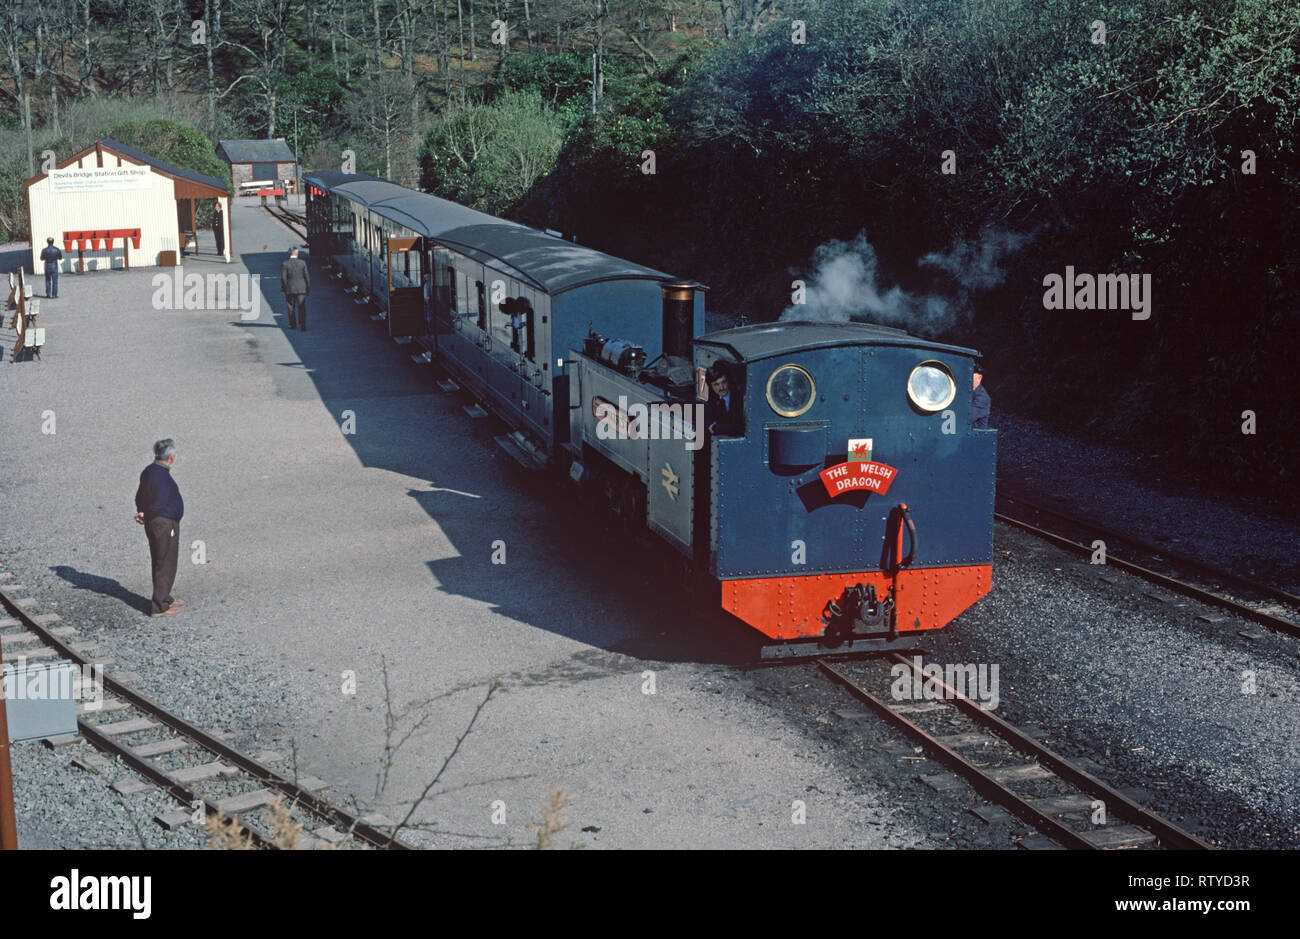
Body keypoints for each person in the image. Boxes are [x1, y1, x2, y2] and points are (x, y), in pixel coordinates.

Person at [133, 439, 185, 617]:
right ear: (171, 457)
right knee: (166, 562)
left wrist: (141, 511)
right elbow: (160, 502)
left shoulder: (149, 471)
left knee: (160, 559)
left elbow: (140, 495)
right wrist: (147, 513)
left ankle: (165, 596)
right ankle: (159, 606)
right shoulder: (162, 476)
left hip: (155, 523)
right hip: (164, 524)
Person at [703, 363, 742, 436]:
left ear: (728, 381)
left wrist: (715, 428)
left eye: (724, 382)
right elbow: (708, 416)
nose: (721, 388)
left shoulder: (739, 397)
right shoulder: (713, 396)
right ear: (710, 386)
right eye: (716, 384)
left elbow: (738, 426)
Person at [281, 247, 310, 331]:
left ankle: (293, 325)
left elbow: (283, 278)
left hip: (290, 289)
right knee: (301, 307)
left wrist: (284, 287)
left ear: (290, 254)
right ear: (297, 254)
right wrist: (308, 288)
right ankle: (303, 325)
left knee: (291, 307)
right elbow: (306, 277)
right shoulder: (302, 263)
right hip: (301, 289)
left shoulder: (285, 264)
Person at [972, 363, 991, 428]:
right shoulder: (968, 391)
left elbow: (968, 418)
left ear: (979, 378)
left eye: (971, 375)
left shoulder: (982, 397)